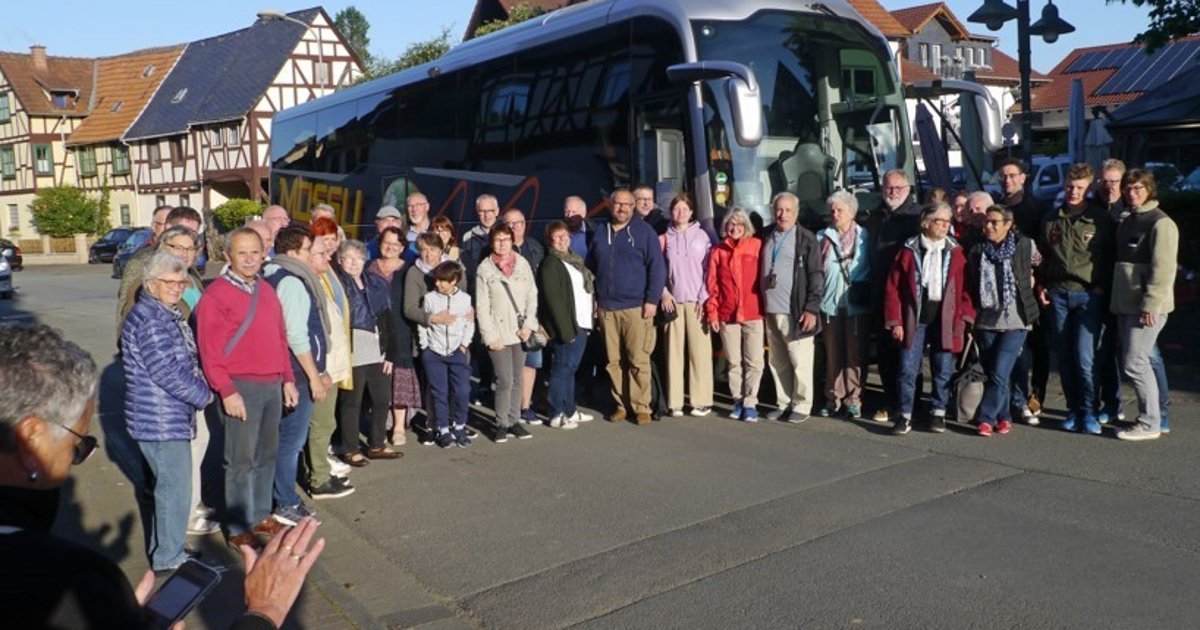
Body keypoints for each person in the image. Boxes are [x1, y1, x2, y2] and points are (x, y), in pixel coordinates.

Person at [0, 323, 324, 629]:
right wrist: (265, 611)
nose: (75, 462)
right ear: (31, 441)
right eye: (78, 446)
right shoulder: (68, 584)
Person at [194, 227, 299, 547]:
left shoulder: (265, 290)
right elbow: (209, 351)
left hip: (271, 384)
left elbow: (280, 339)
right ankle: (239, 527)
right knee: (240, 460)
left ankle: (260, 515)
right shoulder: (216, 295)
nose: (250, 258)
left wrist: (289, 379)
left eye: (255, 251)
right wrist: (226, 391)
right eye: (242, 252)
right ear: (228, 256)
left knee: (266, 455)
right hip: (241, 386)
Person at [122, 253, 214, 572]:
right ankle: (168, 558)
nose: (177, 287)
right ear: (151, 284)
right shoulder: (151, 318)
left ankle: (167, 548)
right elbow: (167, 371)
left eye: (181, 281)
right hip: (160, 419)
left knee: (172, 488)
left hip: (166, 415)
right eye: (169, 282)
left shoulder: (163, 312)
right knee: (175, 490)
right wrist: (204, 395)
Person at [263, 226, 336, 522]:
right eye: (308, 250)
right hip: (297, 374)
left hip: (285, 372)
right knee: (291, 442)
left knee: (282, 439)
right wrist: (315, 375)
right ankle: (285, 501)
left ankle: (279, 497)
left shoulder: (270, 274)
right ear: (293, 253)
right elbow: (297, 335)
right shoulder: (292, 282)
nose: (312, 255)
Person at [884, 203, 973, 434]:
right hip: (914, 318)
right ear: (926, 222)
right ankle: (904, 414)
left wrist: (964, 318)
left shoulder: (956, 251)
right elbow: (893, 288)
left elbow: (965, 289)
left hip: (945, 318)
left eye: (947, 222)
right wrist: (896, 321)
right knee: (907, 367)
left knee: (943, 367)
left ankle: (938, 412)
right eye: (939, 221)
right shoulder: (908, 250)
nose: (944, 226)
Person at [1039, 163, 1114, 435]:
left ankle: (1089, 410)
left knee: (1085, 357)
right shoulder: (1051, 219)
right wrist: (1043, 284)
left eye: (1080, 188)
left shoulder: (1099, 219)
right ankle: (1073, 408)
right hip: (1058, 293)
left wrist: (1100, 287)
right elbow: (1044, 255)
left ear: (1089, 188)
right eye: (1070, 186)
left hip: (1087, 295)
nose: (1073, 191)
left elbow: (1108, 256)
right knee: (1065, 357)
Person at [152, 225, 215, 534]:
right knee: (187, 448)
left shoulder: (190, 279)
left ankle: (194, 502)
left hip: (196, 374)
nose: (186, 253)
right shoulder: (158, 284)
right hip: (181, 385)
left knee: (200, 441)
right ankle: (186, 514)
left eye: (191, 248)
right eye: (179, 247)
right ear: (164, 246)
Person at [587, 188, 667, 425]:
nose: (622, 208)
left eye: (627, 205)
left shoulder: (645, 233)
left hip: (636, 306)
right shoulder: (601, 231)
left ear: (633, 207)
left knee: (638, 359)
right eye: (618, 204)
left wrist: (652, 300)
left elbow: (657, 268)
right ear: (610, 205)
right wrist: (594, 300)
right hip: (607, 307)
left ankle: (641, 406)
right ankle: (621, 405)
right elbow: (591, 268)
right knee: (613, 361)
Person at [1111, 169, 1177, 441]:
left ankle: (1150, 422)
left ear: (1150, 189)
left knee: (1134, 363)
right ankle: (1154, 419)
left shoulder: (1161, 223)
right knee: (1142, 360)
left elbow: (1164, 269)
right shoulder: (1129, 219)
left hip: (1146, 306)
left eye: (1138, 188)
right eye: (1128, 188)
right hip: (1126, 303)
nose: (1132, 192)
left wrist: (1151, 306)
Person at [965, 206, 1040, 437]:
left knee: (999, 370)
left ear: (1008, 224)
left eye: (995, 222)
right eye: (986, 222)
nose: (988, 226)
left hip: (1016, 320)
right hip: (986, 320)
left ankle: (986, 417)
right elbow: (970, 283)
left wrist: (1036, 281)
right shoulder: (977, 249)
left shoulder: (1025, 245)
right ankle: (1004, 415)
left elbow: (1040, 265)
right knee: (995, 373)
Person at [334, 240, 403, 463]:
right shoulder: (337, 285)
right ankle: (350, 448)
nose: (354, 263)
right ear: (340, 260)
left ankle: (377, 444)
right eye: (349, 258)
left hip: (377, 349)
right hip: (352, 349)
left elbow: (387, 318)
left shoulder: (375, 282)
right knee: (351, 403)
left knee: (381, 399)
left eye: (359, 258)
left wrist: (391, 353)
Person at [760, 192, 824, 423]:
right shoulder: (767, 235)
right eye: (779, 209)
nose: (782, 214)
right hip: (769, 310)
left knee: (800, 360)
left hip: (795, 311)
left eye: (788, 210)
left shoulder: (806, 239)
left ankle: (802, 404)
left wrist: (811, 309)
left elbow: (816, 276)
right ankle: (783, 402)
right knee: (777, 361)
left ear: (796, 214)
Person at [864, 171, 921, 422]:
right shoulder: (875, 216)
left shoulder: (918, 216)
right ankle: (890, 401)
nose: (893, 191)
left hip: (908, 295)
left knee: (909, 353)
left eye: (899, 187)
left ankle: (911, 404)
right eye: (889, 187)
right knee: (886, 353)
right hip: (880, 294)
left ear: (908, 189)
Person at [302, 229, 354, 498]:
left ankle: (320, 470)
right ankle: (319, 479)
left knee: (325, 424)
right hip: (321, 368)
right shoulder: (306, 283)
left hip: (330, 366)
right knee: (320, 425)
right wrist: (317, 372)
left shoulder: (324, 277)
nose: (327, 256)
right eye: (321, 253)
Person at [476, 224, 539, 441]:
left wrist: (529, 324)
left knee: (518, 378)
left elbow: (532, 294)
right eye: (497, 239)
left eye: (506, 239)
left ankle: (514, 421)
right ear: (491, 242)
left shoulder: (522, 264)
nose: (502, 243)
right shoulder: (485, 269)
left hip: (520, 331)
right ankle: (501, 423)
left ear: (512, 240)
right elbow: (482, 306)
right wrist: (490, 336)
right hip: (499, 333)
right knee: (504, 380)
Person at [997, 157, 1049, 418]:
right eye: (1003, 176)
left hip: (1031, 288)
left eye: (1012, 175)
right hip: (1003, 290)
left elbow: (1045, 252)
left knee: (1037, 346)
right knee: (1011, 349)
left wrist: (1039, 282)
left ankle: (1036, 396)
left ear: (1023, 178)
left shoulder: (1038, 210)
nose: (1007, 180)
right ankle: (1011, 397)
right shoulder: (996, 209)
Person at [706, 208, 765, 422]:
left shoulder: (757, 246)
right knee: (733, 362)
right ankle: (737, 400)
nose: (735, 228)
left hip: (753, 312)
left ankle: (750, 402)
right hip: (727, 314)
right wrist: (712, 313)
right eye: (731, 224)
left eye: (740, 224)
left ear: (746, 227)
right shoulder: (718, 251)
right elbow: (712, 286)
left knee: (755, 361)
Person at [816, 191, 871, 419]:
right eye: (832, 210)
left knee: (854, 355)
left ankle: (854, 399)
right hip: (830, 303)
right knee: (833, 354)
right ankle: (833, 398)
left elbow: (872, 266)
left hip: (856, 303)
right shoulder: (822, 236)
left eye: (840, 210)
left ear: (852, 212)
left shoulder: (864, 236)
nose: (834, 214)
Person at [659, 193, 713, 417]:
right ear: (671, 212)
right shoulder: (663, 238)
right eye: (676, 209)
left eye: (684, 209)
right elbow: (657, 269)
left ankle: (701, 400)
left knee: (699, 353)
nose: (680, 213)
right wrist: (663, 293)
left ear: (691, 212)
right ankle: (675, 402)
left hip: (697, 302)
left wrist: (704, 296)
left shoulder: (702, 236)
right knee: (673, 354)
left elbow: (711, 269)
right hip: (673, 302)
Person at [538, 220, 596, 429]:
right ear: (550, 240)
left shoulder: (574, 260)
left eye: (565, 235)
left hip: (581, 323)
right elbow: (553, 301)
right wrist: (565, 331)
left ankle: (570, 410)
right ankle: (556, 412)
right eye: (557, 236)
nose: (563, 240)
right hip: (567, 327)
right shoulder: (550, 264)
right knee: (562, 368)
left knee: (571, 369)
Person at [403, 232, 460, 444]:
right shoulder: (414, 273)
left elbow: (463, 299)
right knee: (434, 385)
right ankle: (433, 424)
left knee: (455, 383)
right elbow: (409, 308)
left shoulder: (453, 268)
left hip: (454, 336)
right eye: (423, 250)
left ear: (441, 250)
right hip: (428, 337)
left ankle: (454, 422)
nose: (428, 255)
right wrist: (431, 318)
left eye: (433, 250)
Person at [369, 227, 422, 447]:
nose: (390, 247)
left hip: (401, 329)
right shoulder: (368, 268)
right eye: (386, 242)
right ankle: (380, 424)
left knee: (400, 378)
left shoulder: (408, 270)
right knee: (378, 379)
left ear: (402, 247)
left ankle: (399, 426)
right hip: (373, 331)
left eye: (395, 244)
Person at [118, 205, 203, 335]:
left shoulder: (191, 273)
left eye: (194, 234)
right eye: (183, 231)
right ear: (168, 230)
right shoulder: (142, 263)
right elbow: (126, 314)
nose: (189, 238)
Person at [419, 261, 475, 447]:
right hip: (434, 353)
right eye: (437, 280)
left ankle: (459, 426)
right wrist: (425, 346)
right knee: (439, 392)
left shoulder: (465, 299)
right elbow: (423, 324)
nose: (438, 284)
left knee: (462, 391)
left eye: (443, 281)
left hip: (457, 352)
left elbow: (469, 323)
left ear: (454, 281)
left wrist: (464, 344)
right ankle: (442, 429)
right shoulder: (430, 298)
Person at [505, 208, 545, 423]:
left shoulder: (536, 248)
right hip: (507, 316)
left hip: (532, 315)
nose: (514, 227)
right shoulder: (495, 250)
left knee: (531, 363)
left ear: (525, 224)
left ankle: (525, 407)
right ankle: (510, 408)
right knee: (510, 366)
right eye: (509, 223)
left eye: (518, 222)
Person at [461, 194, 501, 405]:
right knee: (483, 345)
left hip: (502, 299)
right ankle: (485, 386)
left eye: (489, 211)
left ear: (497, 211)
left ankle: (502, 390)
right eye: (481, 212)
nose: (486, 215)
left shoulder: (505, 233)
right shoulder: (469, 237)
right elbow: (466, 271)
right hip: (479, 297)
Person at [402, 193, 433, 265]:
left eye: (418, 205)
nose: (414, 209)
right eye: (410, 206)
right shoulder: (403, 233)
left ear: (427, 207)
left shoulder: (437, 230)